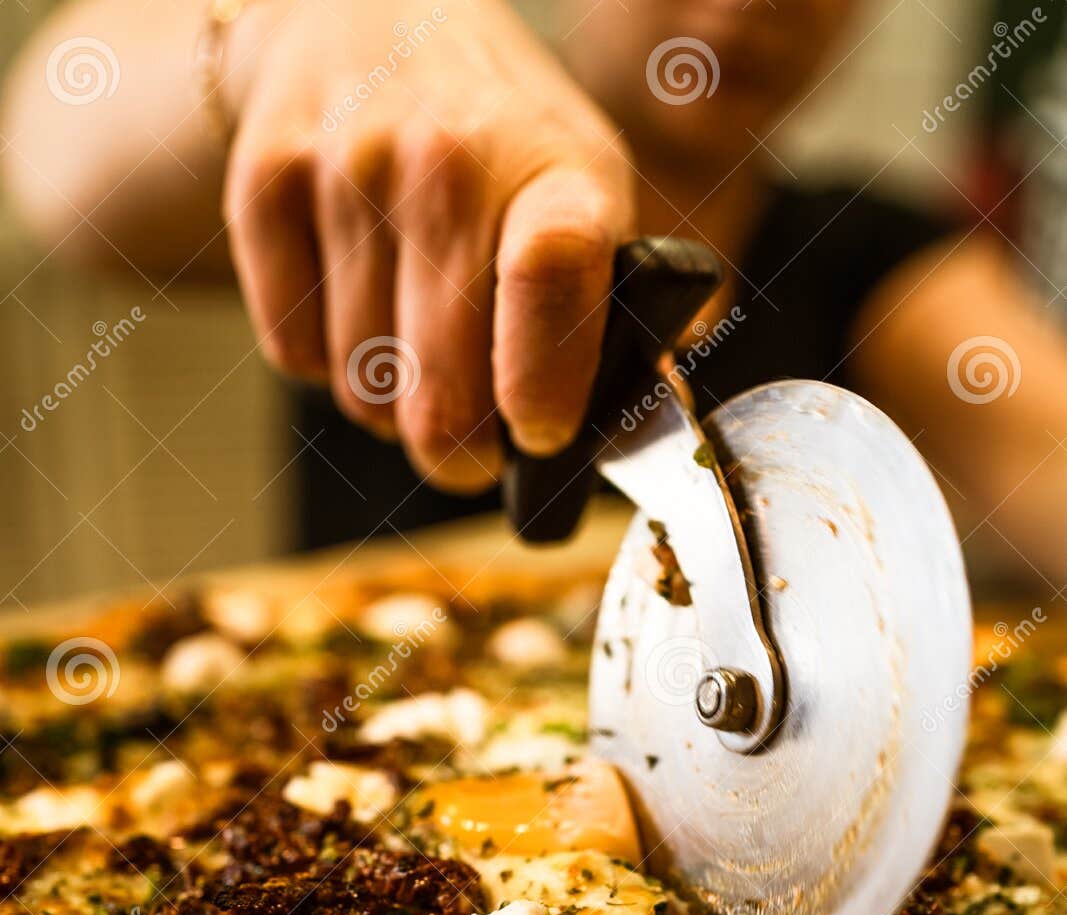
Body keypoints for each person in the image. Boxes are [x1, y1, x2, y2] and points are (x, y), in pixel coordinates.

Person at [4, 0, 1066, 579]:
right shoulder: (395, 142)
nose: (748, 10)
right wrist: (280, 33)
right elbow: (59, 163)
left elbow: (1041, 444)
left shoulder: (868, 245)